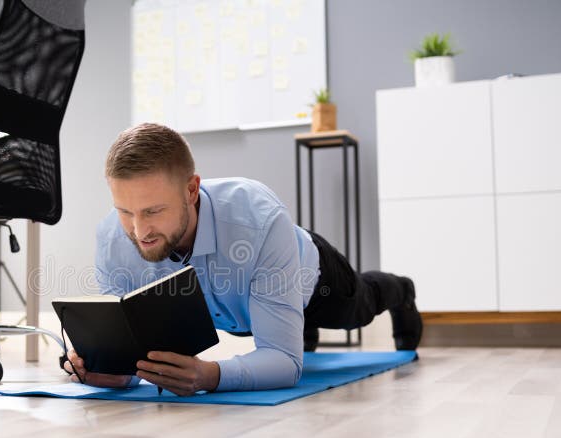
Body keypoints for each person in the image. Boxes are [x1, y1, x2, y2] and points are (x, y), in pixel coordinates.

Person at [63, 123, 422, 395]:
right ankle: (294, 326)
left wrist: (208, 375)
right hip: (256, 301)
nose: (139, 230)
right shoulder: (113, 239)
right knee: (283, 325)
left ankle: (401, 290)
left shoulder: (259, 219)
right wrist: (104, 368)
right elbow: (130, 355)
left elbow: (285, 362)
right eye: (125, 210)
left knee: (360, 306)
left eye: (154, 210)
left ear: (191, 190)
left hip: (310, 282)